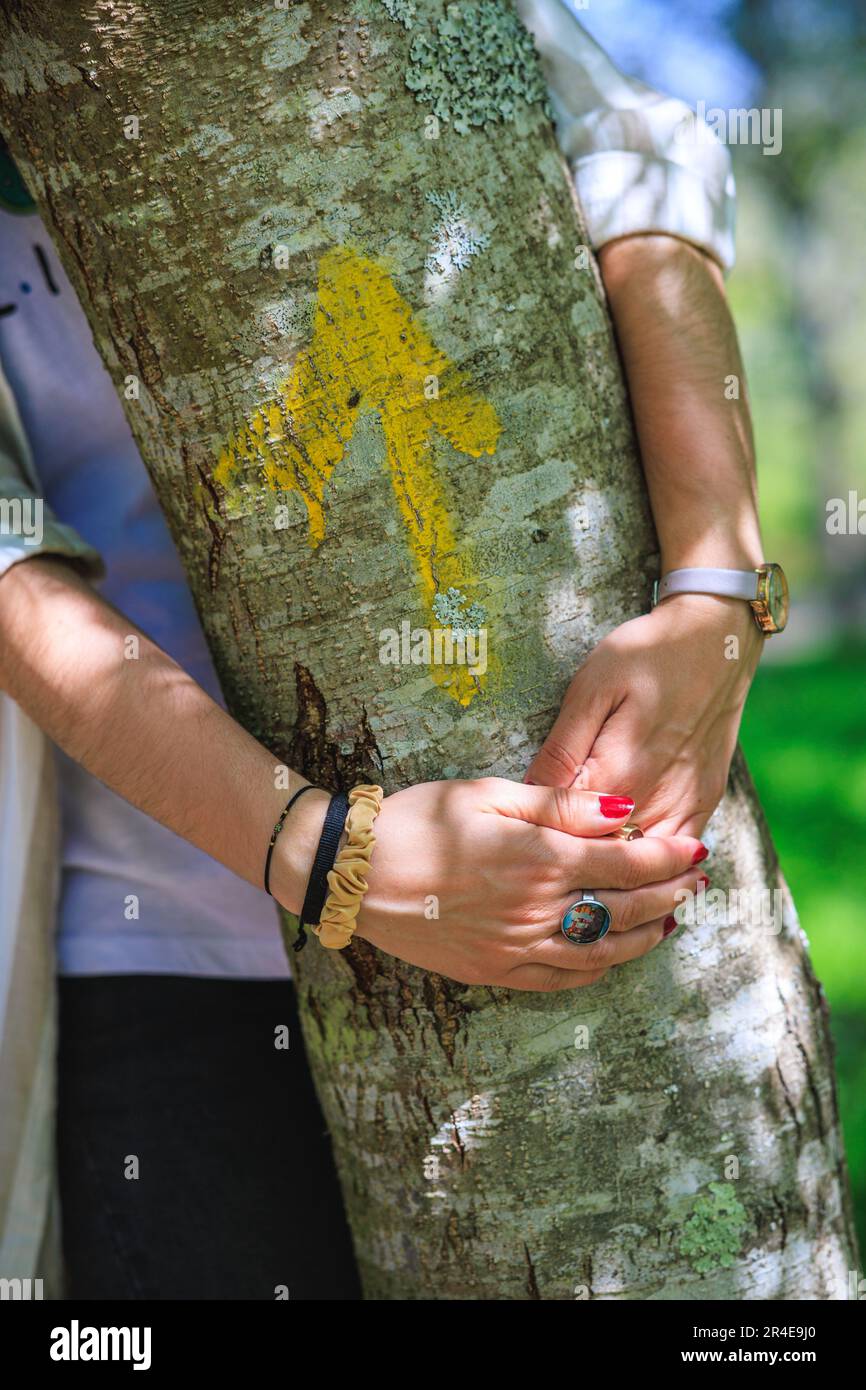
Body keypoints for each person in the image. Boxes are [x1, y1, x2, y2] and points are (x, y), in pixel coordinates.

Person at [0, 0, 765, 1299]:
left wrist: (715, 591)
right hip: (157, 954)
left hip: (569, 910)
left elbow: (634, 143)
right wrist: (329, 857)